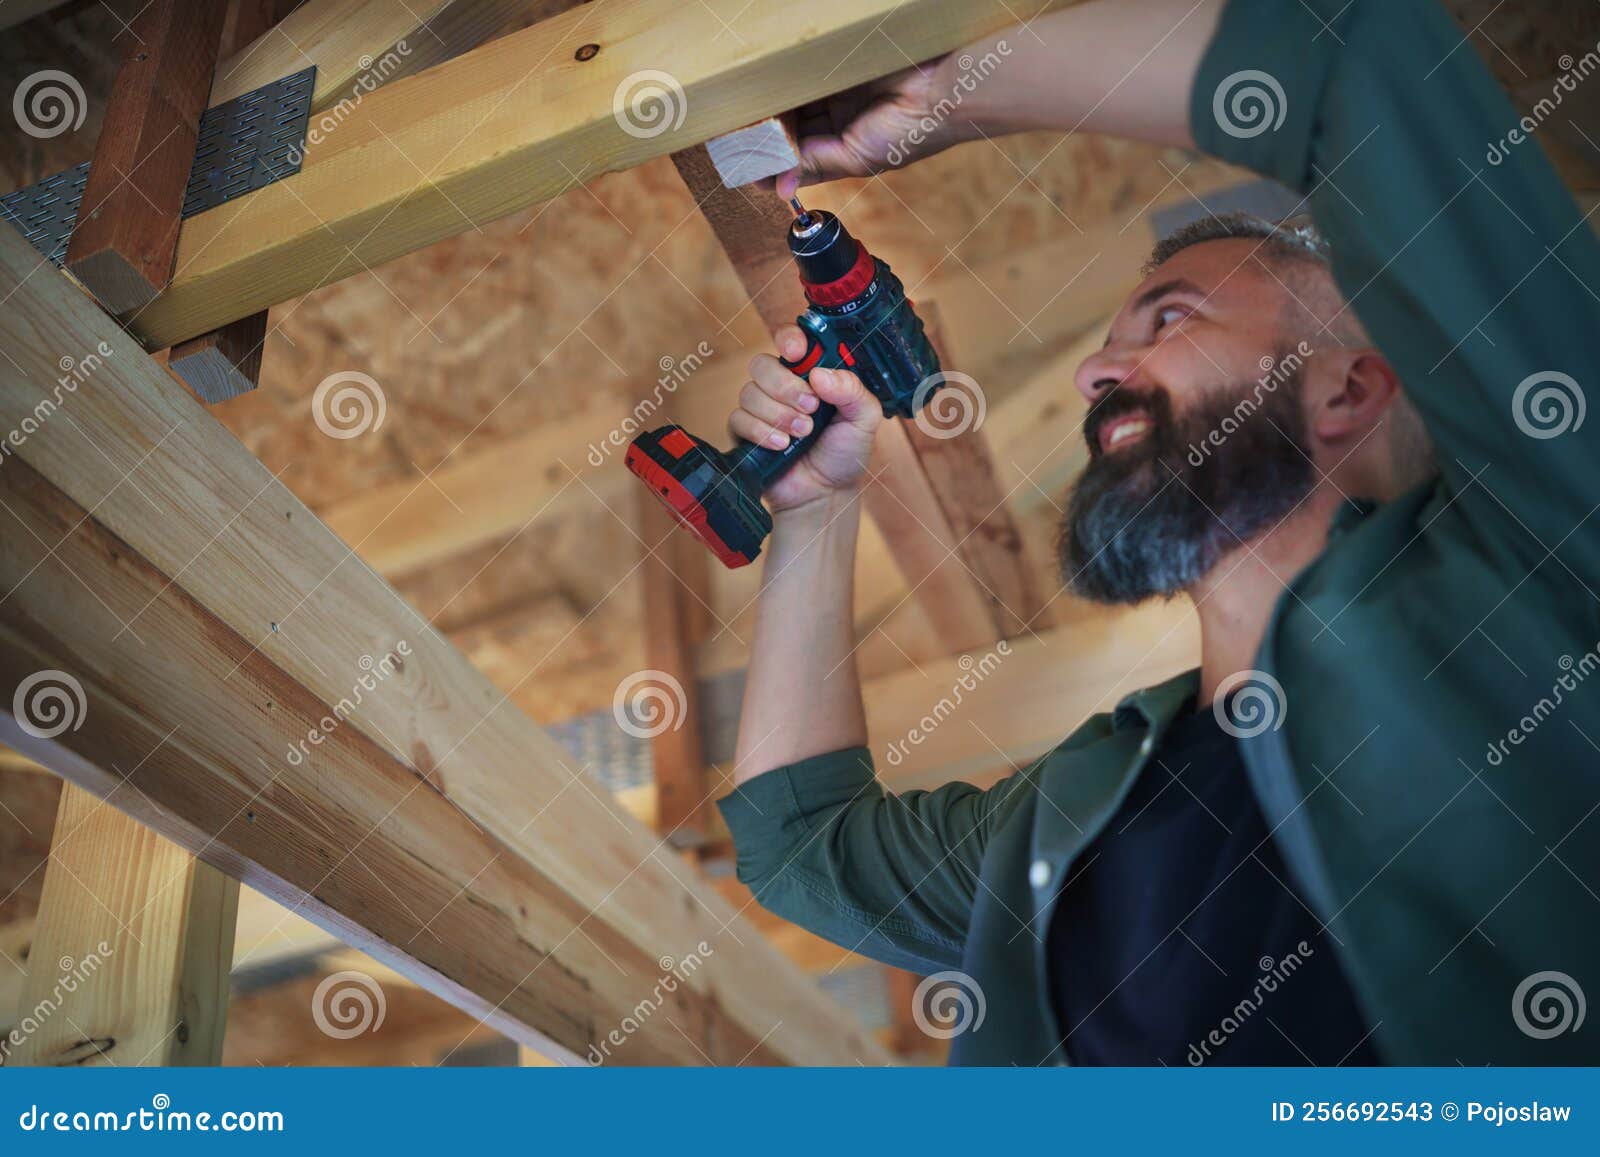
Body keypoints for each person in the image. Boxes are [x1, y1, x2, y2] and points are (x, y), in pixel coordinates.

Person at [715, 0, 1600, 1065]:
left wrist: (947, 87)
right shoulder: (1071, 816)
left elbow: (1352, 61)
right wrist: (815, 511)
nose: (1091, 371)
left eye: (1169, 317)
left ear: (1347, 390)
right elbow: (800, 844)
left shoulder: (1543, 588)